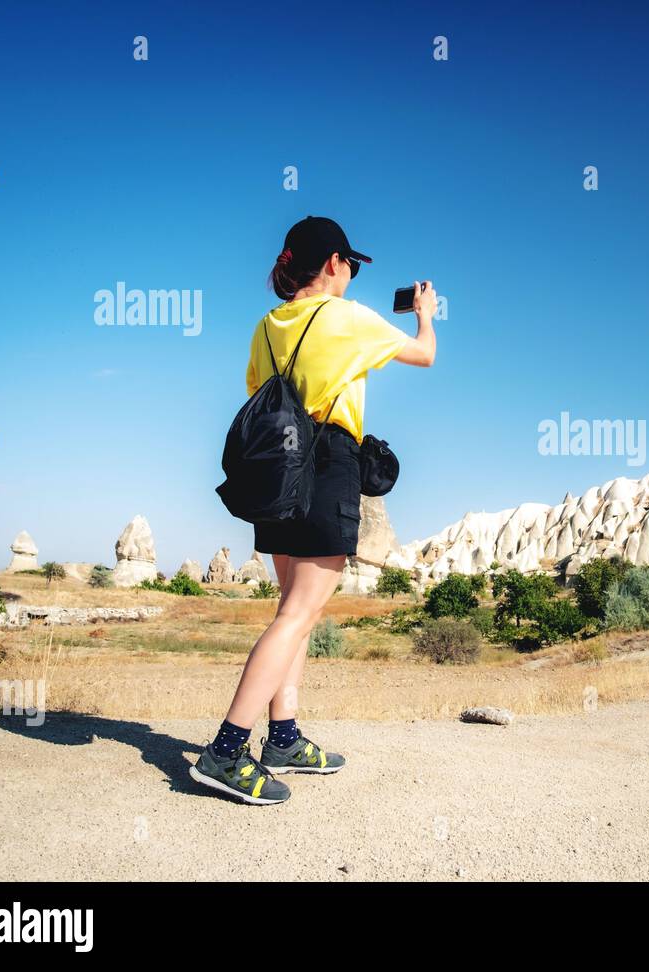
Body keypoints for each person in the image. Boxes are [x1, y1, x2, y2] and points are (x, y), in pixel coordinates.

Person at [190, 216, 436, 805]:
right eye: (350, 262)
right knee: (300, 613)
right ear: (332, 263)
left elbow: (262, 389)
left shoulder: (267, 325)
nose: (352, 272)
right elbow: (424, 356)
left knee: (290, 609)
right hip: (326, 460)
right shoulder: (348, 318)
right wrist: (426, 311)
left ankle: (284, 737)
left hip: (275, 464)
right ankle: (225, 751)